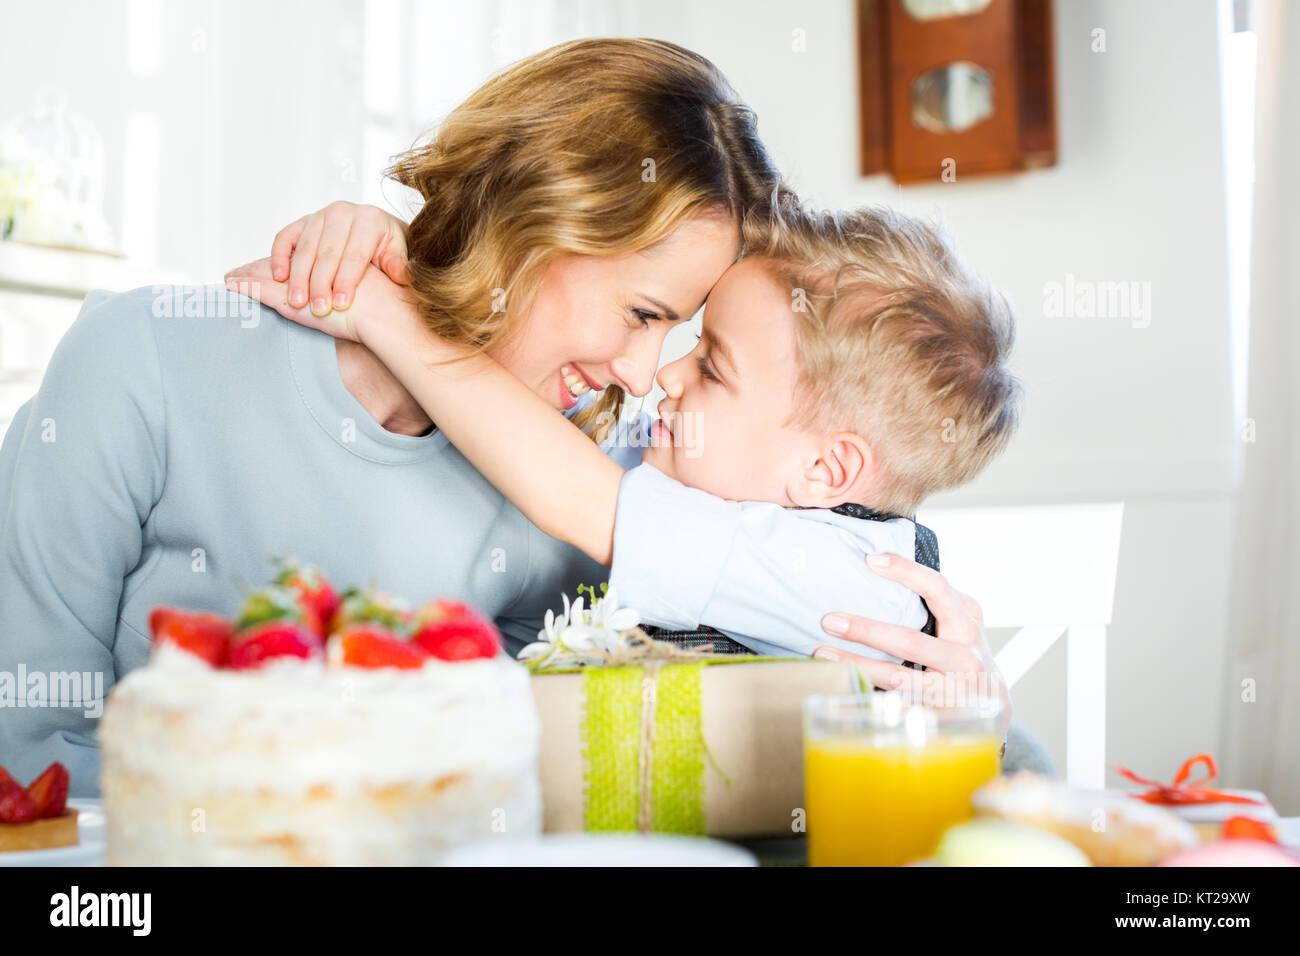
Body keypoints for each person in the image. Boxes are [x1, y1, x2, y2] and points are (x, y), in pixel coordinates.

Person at [227, 200, 1021, 685]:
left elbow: (570, 490)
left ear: (827, 469)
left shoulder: (821, 572)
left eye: (712, 367)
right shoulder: (719, 473)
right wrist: (396, 249)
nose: (663, 378)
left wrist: (386, 315)